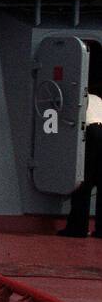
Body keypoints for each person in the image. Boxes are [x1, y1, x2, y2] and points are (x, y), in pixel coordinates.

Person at [59, 92, 102, 237]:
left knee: (83, 183)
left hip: (91, 133)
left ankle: (77, 228)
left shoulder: (80, 97)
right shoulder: (98, 99)